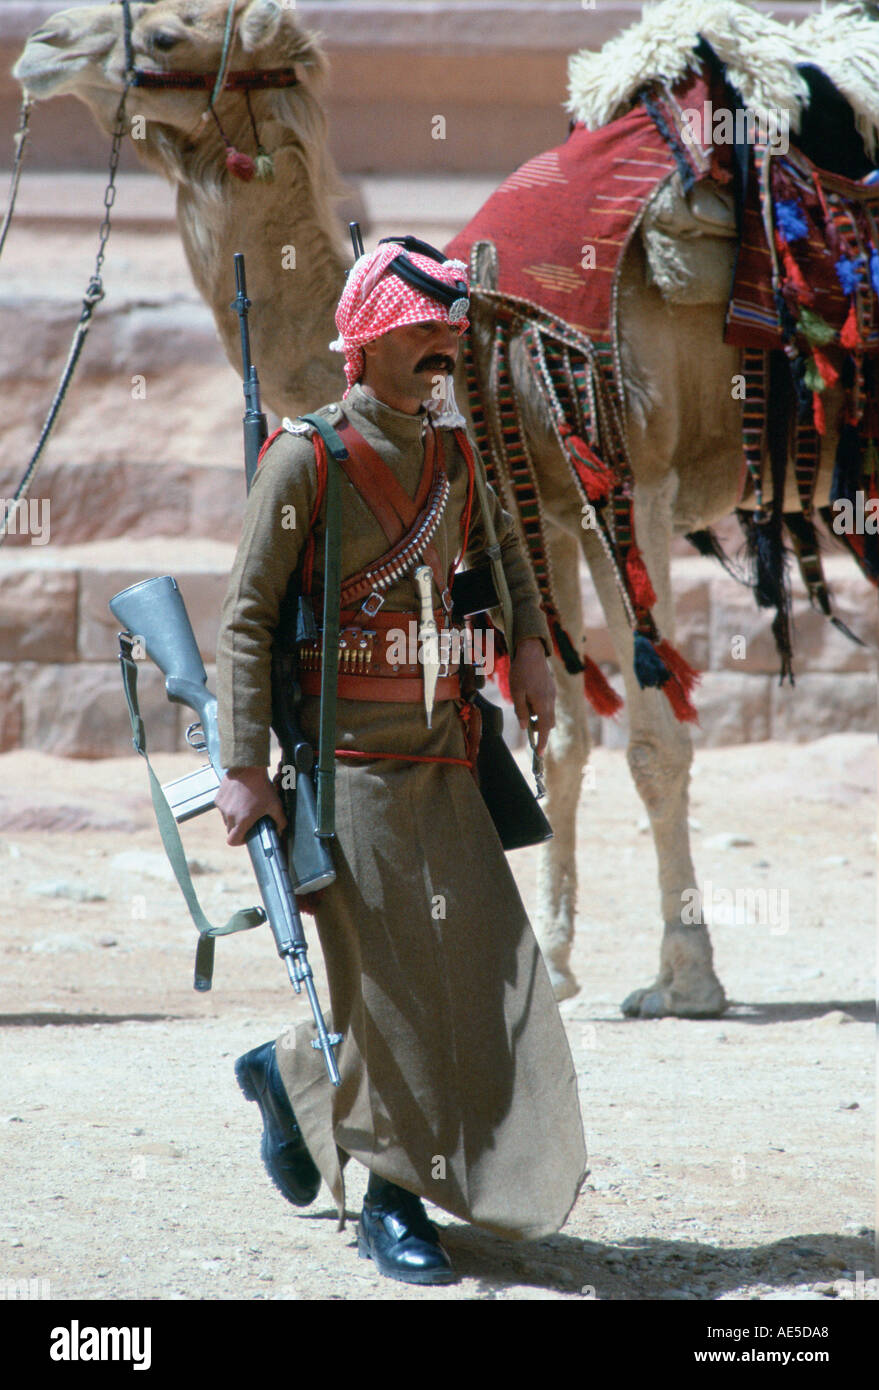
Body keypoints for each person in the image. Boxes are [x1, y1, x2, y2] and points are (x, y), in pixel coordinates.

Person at [215, 237, 586, 1286]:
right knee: (393, 995)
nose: (443, 350)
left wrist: (522, 654)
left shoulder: (453, 457)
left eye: (451, 336)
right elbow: (246, 618)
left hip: (446, 756)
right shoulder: (308, 458)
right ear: (371, 337)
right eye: (425, 333)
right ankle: (393, 1200)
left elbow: (492, 557)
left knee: (479, 980)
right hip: (347, 768)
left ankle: (289, 1078)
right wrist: (245, 764)